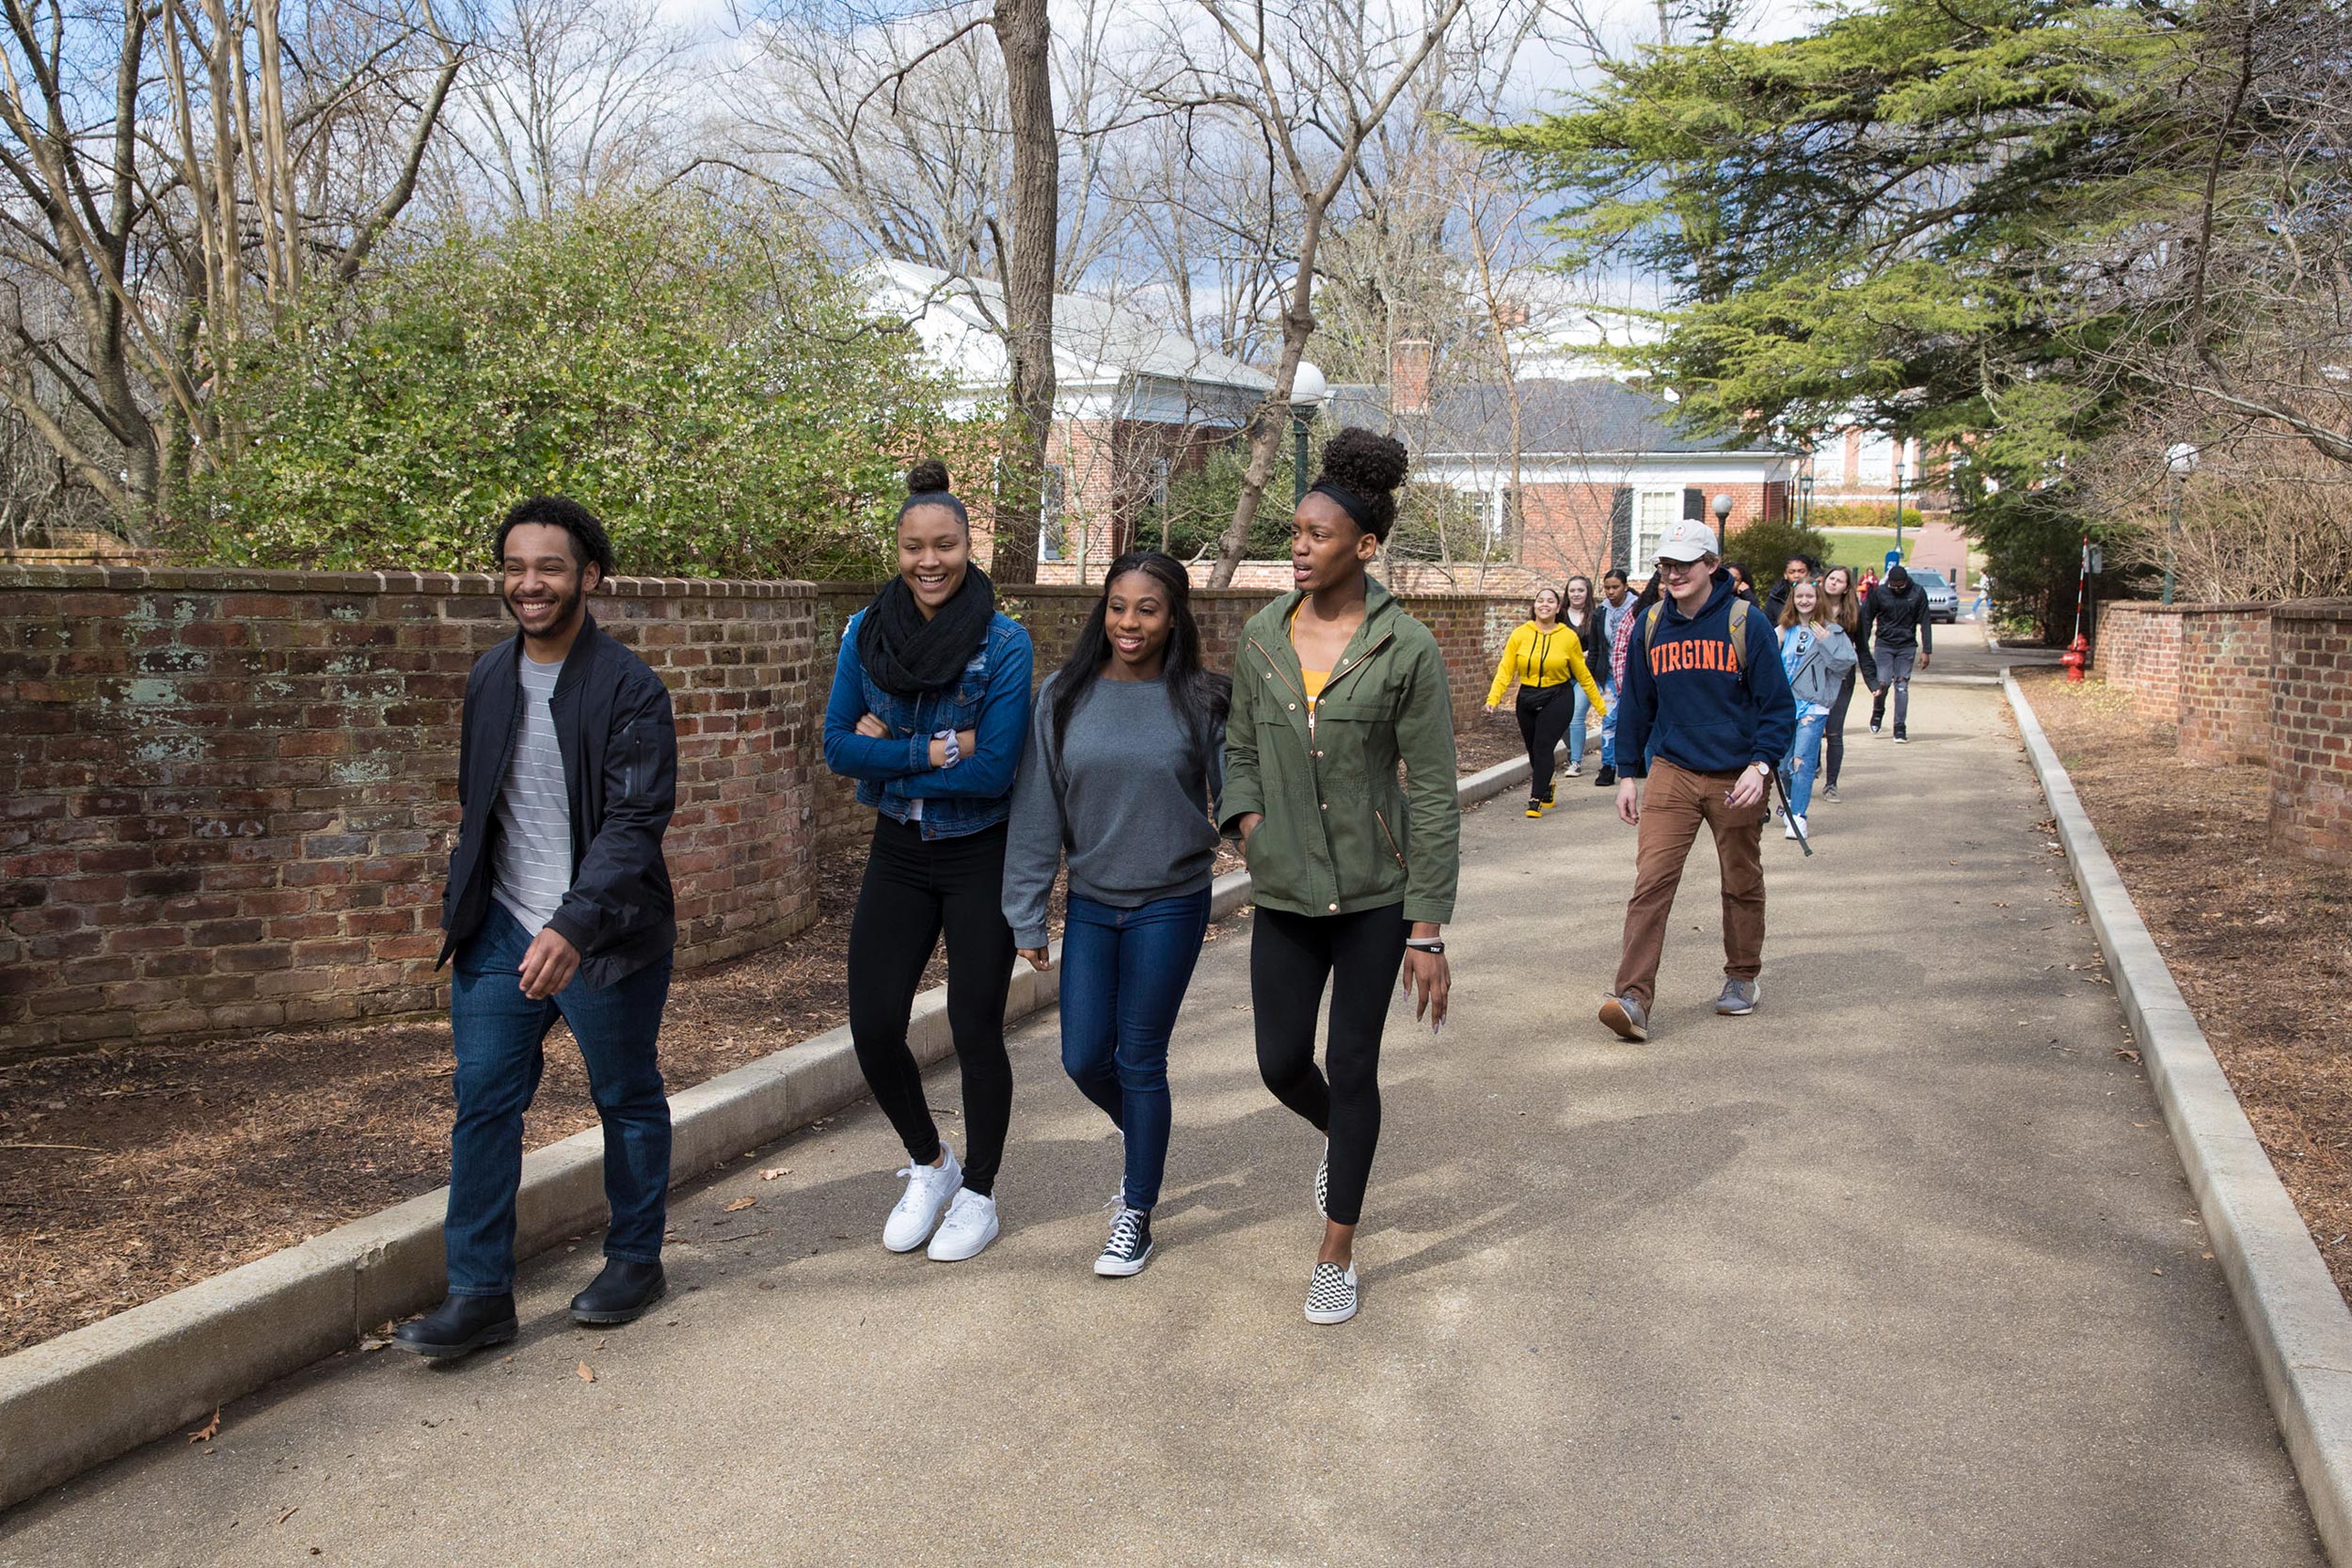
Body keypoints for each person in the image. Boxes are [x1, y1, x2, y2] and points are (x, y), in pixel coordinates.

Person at [399, 497, 679, 1358]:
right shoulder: (489, 676)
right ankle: (480, 1293)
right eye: (516, 567)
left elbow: (636, 824)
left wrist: (574, 924)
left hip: (603, 937)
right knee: (483, 1104)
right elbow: (478, 803)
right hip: (498, 930)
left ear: (588, 576)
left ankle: (635, 1259)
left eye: (550, 567)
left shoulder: (630, 687)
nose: (530, 583)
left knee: (625, 1096)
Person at [1218, 427, 1460, 1326]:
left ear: (1363, 546)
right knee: (1282, 1061)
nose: (1299, 545)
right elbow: (1237, 748)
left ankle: (1336, 1245)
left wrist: (1427, 928)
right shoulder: (1260, 637)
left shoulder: (1406, 649)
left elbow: (1433, 793)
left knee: (1353, 1064)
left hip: (1373, 895)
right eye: (1293, 532)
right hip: (1285, 890)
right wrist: (1249, 826)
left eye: (1317, 535)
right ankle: (1342, 1141)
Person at [823, 460, 1034, 1263]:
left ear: (968, 544)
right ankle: (931, 1164)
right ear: (899, 549)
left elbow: (996, 767)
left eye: (945, 544)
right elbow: (839, 747)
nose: (930, 561)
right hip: (899, 854)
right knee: (874, 1025)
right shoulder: (865, 633)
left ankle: (979, 1190)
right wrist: (945, 745)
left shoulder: (1004, 642)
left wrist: (894, 752)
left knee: (976, 1027)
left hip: (981, 853)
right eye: (914, 546)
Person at [1002, 551, 1229, 1277]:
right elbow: (1037, 808)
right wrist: (1025, 912)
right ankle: (1147, 1140)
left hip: (1172, 898)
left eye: (1148, 608)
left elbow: (1241, 798)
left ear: (1174, 617)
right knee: (1080, 1056)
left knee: (1139, 1057)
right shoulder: (1061, 696)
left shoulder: (1200, 698)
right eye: (1118, 605)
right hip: (1094, 900)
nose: (1129, 622)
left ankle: (1137, 1209)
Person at [1597, 520, 1795, 1043]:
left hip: (1737, 775)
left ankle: (1742, 976)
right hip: (1673, 771)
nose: (1674, 572)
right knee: (1652, 882)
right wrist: (1626, 774)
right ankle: (1633, 999)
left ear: (1712, 565)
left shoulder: (1744, 622)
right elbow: (1636, 705)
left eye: (1686, 563)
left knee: (1740, 878)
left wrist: (1761, 765)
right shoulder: (1652, 622)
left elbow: (1778, 707)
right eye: (1666, 564)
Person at [1483, 582, 1605, 816]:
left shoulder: (1568, 637)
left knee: (1543, 746)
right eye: (1540, 600)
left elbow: (1583, 675)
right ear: (1534, 605)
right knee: (1533, 750)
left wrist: (1601, 707)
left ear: (1559, 607)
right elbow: (1506, 668)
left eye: (1550, 601)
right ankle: (1547, 783)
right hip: (1527, 696)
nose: (1545, 605)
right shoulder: (1520, 634)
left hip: (1558, 696)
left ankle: (1535, 799)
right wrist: (1493, 698)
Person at [1774, 578, 1857, 843]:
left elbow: (1844, 665)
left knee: (1803, 762)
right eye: (1800, 596)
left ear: (1817, 598)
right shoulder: (1783, 630)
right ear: (1793, 599)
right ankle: (1788, 803)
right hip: (1785, 705)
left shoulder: (1831, 631)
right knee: (1784, 765)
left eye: (1810, 596)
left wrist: (1827, 642)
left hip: (1814, 705)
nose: (1805, 601)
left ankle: (1799, 815)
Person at [1859, 562, 1932, 741]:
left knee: (1901, 686)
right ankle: (1878, 711)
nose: (1898, 589)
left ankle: (1900, 727)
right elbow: (1866, 617)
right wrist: (1862, 643)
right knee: (1882, 682)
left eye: (1901, 586)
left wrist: (1927, 650)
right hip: (1884, 644)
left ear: (1906, 582)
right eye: (1894, 586)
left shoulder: (1917, 593)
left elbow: (1925, 620)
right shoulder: (1880, 593)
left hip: (1906, 645)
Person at [1815, 565, 1870, 801]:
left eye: (1839, 580)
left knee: (1835, 731)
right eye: (1831, 578)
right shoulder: (1811, 604)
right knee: (1811, 726)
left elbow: (1863, 648)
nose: (1833, 583)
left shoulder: (1854, 612)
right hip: (1813, 676)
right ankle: (1807, 771)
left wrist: (1873, 680)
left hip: (1841, 677)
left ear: (1847, 587)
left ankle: (1831, 784)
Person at [1593, 568, 1638, 788]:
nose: (1610, 592)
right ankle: (1608, 765)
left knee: (1632, 717)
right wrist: (1593, 675)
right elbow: (1595, 647)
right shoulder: (1601, 612)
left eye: (1615, 587)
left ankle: (1635, 761)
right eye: (1607, 587)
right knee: (1609, 718)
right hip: (1609, 672)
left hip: (1633, 672)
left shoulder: (1638, 608)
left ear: (1625, 586)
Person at [1761, 554, 1817, 626]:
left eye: (1801, 571)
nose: (1796, 576)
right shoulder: (1776, 596)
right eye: (1791, 572)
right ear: (1785, 575)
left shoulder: (1818, 593)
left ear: (1809, 573)